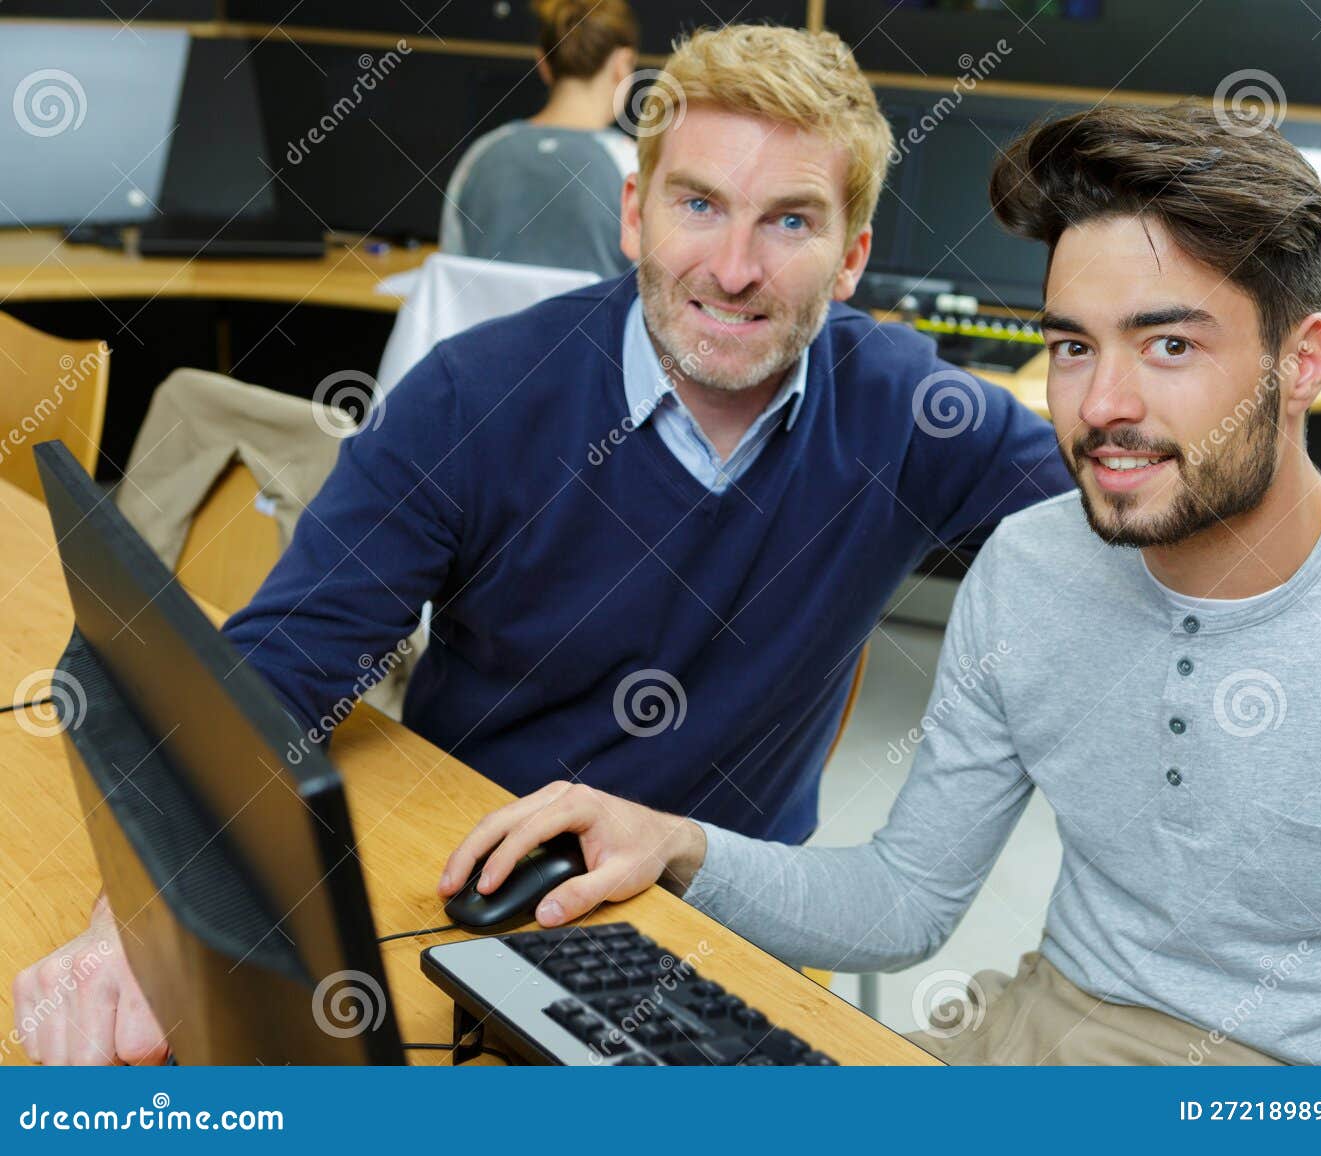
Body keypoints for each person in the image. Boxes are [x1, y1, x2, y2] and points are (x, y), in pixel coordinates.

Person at [438, 103, 1321, 1066]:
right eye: (1072, 345)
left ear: (1299, 362)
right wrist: (671, 843)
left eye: (1170, 346)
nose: (1100, 405)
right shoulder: (1032, 568)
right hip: (1045, 1039)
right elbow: (903, 902)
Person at [12, 25, 1072, 1064]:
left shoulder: (913, 413)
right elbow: (275, 673)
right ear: (632, 213)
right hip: (469, 876)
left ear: (851, 259)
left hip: (717, 917)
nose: (733, 267)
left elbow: (1152, 507)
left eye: (789, 222)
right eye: (696, 204)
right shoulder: (475, 393)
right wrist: (139, 923)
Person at [438, 0, 640, 274]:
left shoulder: (480, 155)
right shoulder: (632, 164)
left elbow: (451, 271)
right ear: (622, 63)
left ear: (542, 63)